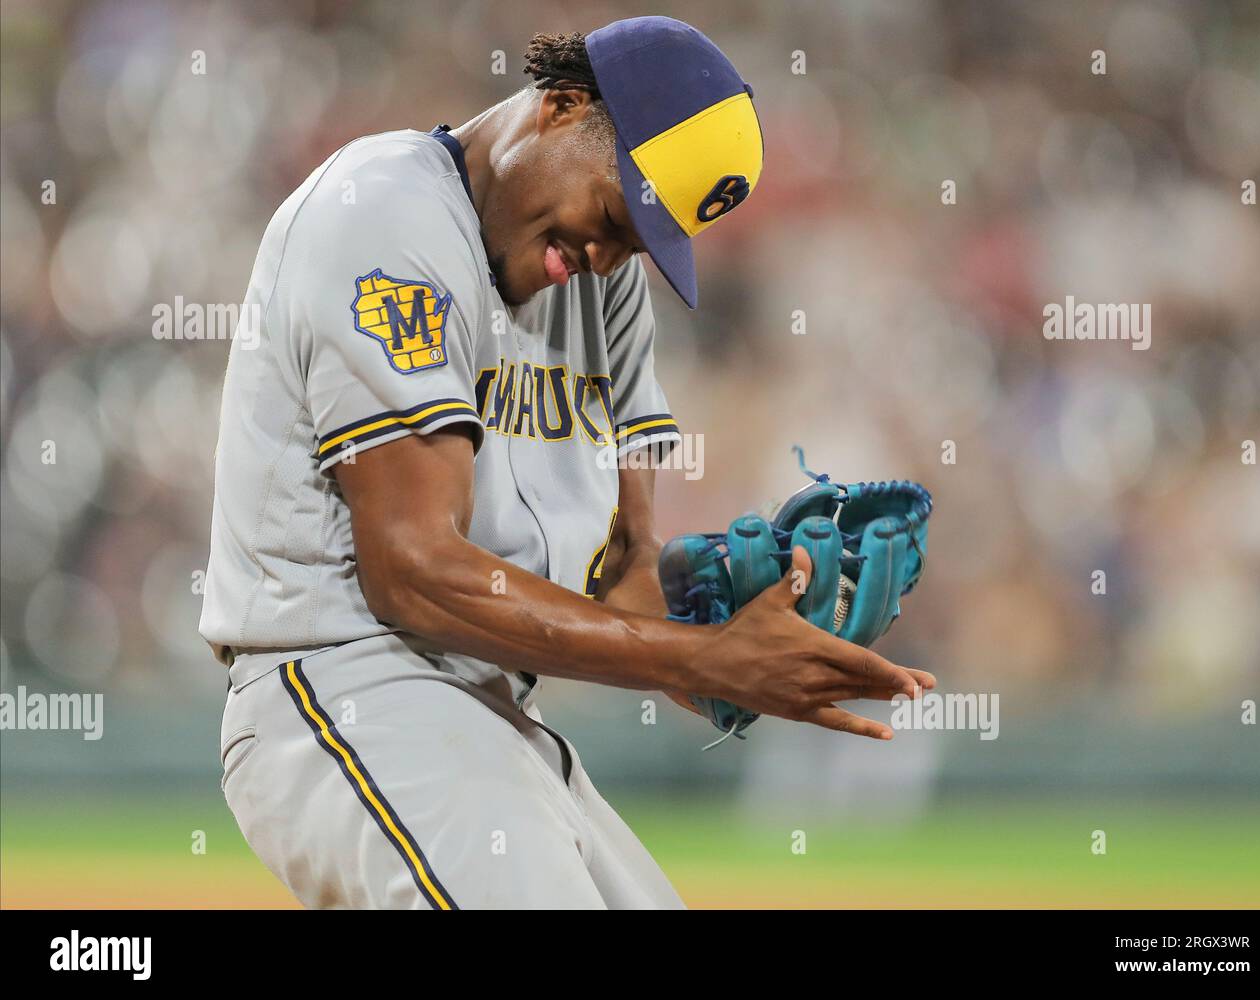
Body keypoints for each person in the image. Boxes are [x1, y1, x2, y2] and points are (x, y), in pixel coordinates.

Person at [200, 16, 932, 910]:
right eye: (617, 216)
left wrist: (750, 634)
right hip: (349, 686)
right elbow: (412, 571)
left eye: (641, 243)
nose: (606, 256)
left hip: (494, 710)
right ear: (563, 106)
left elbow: (626, 573)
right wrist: (704, 659)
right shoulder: (385, 210)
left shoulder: (604, 283)